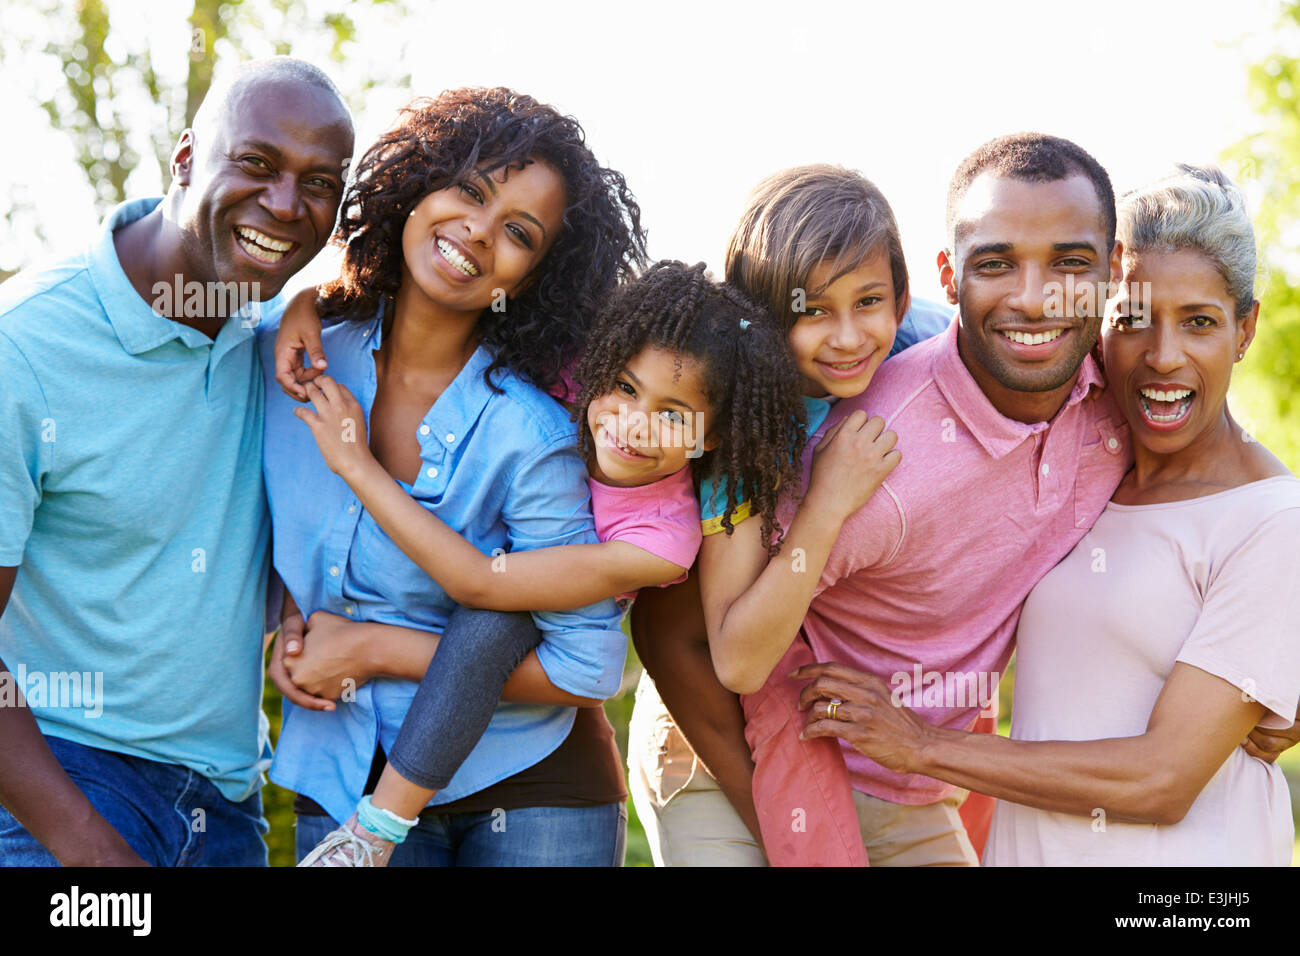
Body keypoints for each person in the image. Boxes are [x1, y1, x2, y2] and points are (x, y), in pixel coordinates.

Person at [803, 166, 1300, 866]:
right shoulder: (1088, 452)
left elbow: (1164, 779)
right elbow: (962, 335)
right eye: (1131, 319)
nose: (1164, 356)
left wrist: (919, 744)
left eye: (1200, 323)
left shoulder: (1272, 520)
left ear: (1244, 329)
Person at [284, 261, 804, 865]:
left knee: (493, 621)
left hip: (519, 613)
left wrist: (356, 464)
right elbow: (434, 290)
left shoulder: (662, 539)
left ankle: (376, 829)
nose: (631, 424)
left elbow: (478, 583)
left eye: (672, 414)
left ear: (711, 437)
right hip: (442, 636)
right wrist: (307, 299)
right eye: (627, 389)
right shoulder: (566, 381)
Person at [259, 87, 650, 866]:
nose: (476, 230)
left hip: (531, 786)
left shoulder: (533, 434)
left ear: (538, 276)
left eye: (518, 233)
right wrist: (288, 626)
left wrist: (369, 647)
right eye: (468, 190)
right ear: (415, 184)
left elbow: (584, 666)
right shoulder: (287, 358)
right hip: (339, 770)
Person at [0, 57, 354, 866]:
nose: (284, 204)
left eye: (319, 183)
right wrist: (82, 840)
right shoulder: (25, 346)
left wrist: (289, 604)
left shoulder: (278, 341)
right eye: (257, 164)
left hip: (226, 805)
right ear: (186, 157)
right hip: (59, 792)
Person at [628, 165, 956, 866]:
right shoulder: (735, 416)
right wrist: (830, 500)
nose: (846, 337)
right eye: (812, 311)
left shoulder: (928, 347)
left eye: (869, 300)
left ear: (900, 294)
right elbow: (731, 656)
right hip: (710, 743)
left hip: (854, 738)